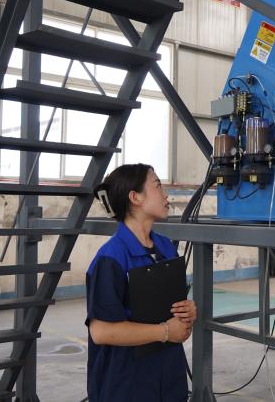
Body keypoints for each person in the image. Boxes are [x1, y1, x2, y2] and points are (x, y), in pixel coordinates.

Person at [85, 163, 197, 401]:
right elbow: (102, 332)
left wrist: (188, 311)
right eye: (157, 186)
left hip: (169, 381)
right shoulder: (111, 258)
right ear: (135, 197)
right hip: (126, 384)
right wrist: (165, 331)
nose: (166, 195)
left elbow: (172, 308)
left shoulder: (166, 248)